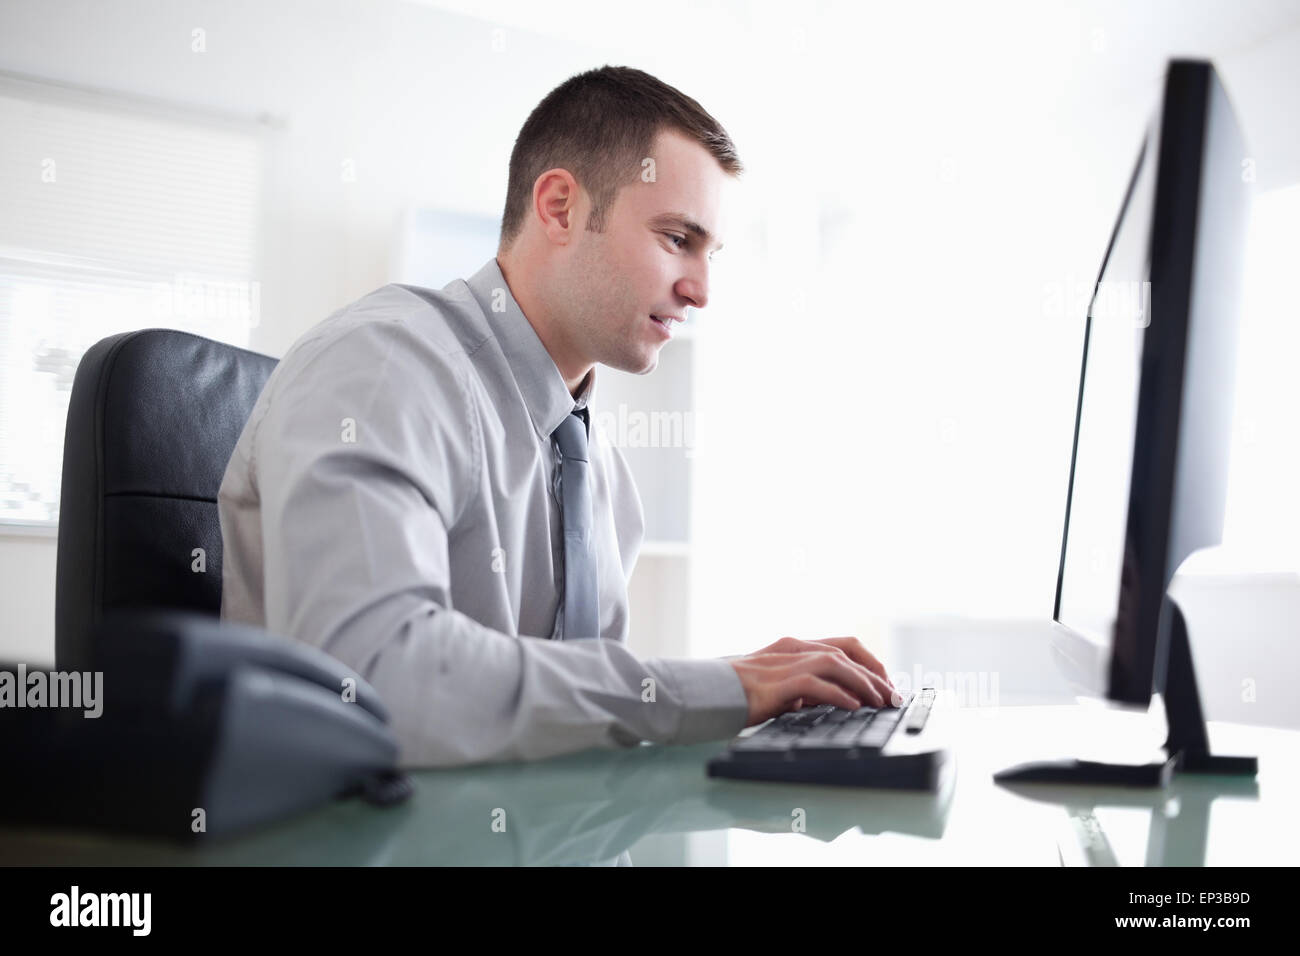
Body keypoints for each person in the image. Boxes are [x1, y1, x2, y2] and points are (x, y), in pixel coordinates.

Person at [218, 65, 897, 767]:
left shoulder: (603, 478)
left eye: (710, 252)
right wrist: (714, 688)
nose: (699, 290)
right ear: (560, 208)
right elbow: (376, 676)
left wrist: (747, 704)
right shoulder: (384, 366)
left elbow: (565, 722)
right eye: (676, 239)